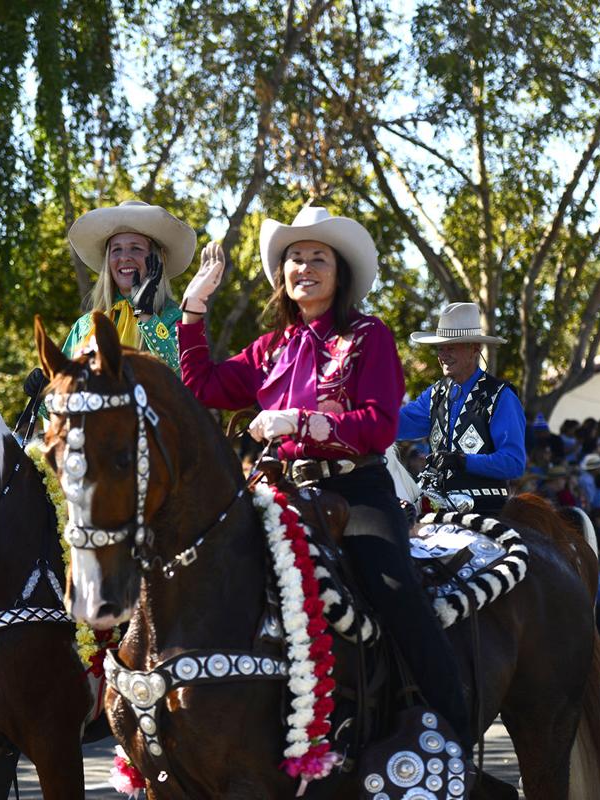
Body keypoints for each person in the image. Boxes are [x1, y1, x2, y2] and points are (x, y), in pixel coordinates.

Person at [177, 206, 475, 756]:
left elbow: (380, 425)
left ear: (339, 275)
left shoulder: (369, 336)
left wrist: (302, 423)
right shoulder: (271, 348)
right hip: (280, 493)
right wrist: (195, 307)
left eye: (319, 258)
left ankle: (453, 731)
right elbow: (202, 387)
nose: (304, 267)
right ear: (282, 275)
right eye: (294, 258)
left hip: (355, 489)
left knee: (393, 590)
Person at [397, 302, 526, 513]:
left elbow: (513, 462)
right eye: (440, 348)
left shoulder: (501, 396)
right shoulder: (435, 394)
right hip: (435, 507)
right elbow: (392, 425)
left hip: (486, 512)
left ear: (475, 348)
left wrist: (463, 461)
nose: (443, 354)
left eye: (451, 347)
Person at [61, 200, 197, 374]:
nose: (124, 257)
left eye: (135, 248)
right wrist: (45, 386)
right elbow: (65, 388)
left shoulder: (176, 320)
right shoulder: (85, 326)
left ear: (156, 260)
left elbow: (181, 372)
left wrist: (147, 316)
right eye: (116, 250)